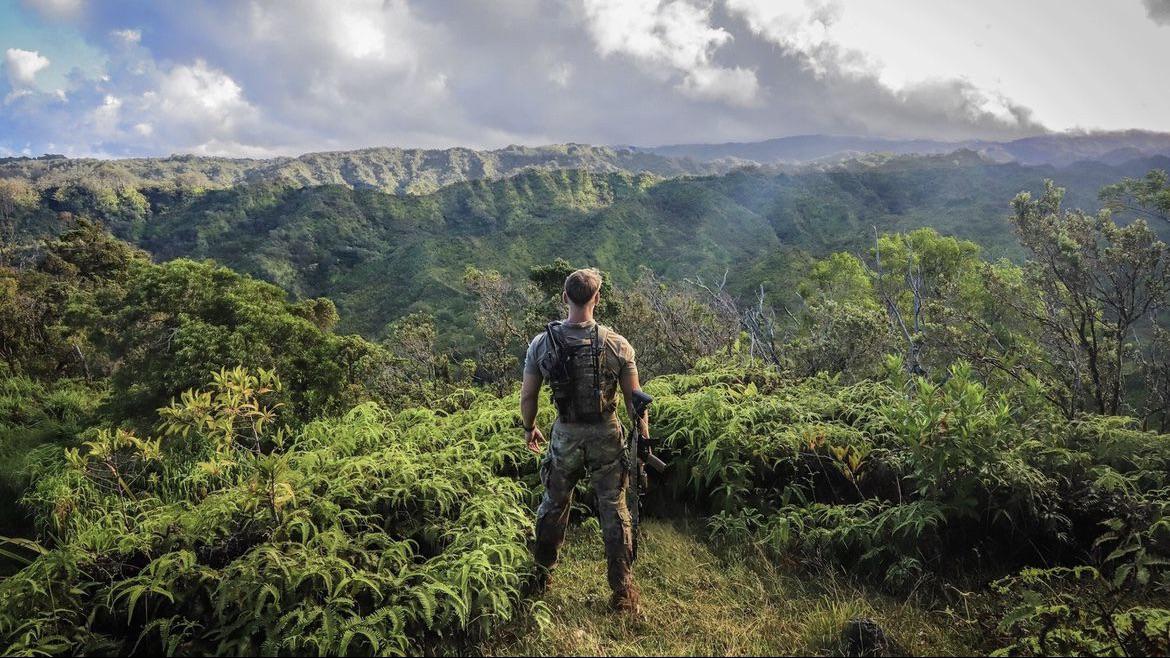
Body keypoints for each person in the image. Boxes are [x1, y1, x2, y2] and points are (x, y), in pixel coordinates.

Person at [520, 267, 646, 614]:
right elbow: (635, 398)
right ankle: (622, 592)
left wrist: (529, 427)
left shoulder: (542, 343)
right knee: (614, 508)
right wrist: (643, 438)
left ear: (564, 298)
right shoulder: (618, 344)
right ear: (597, 299)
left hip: (565, 435)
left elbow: (529, 396)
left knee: (554, 505)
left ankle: (541, 577)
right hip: (606, 433)